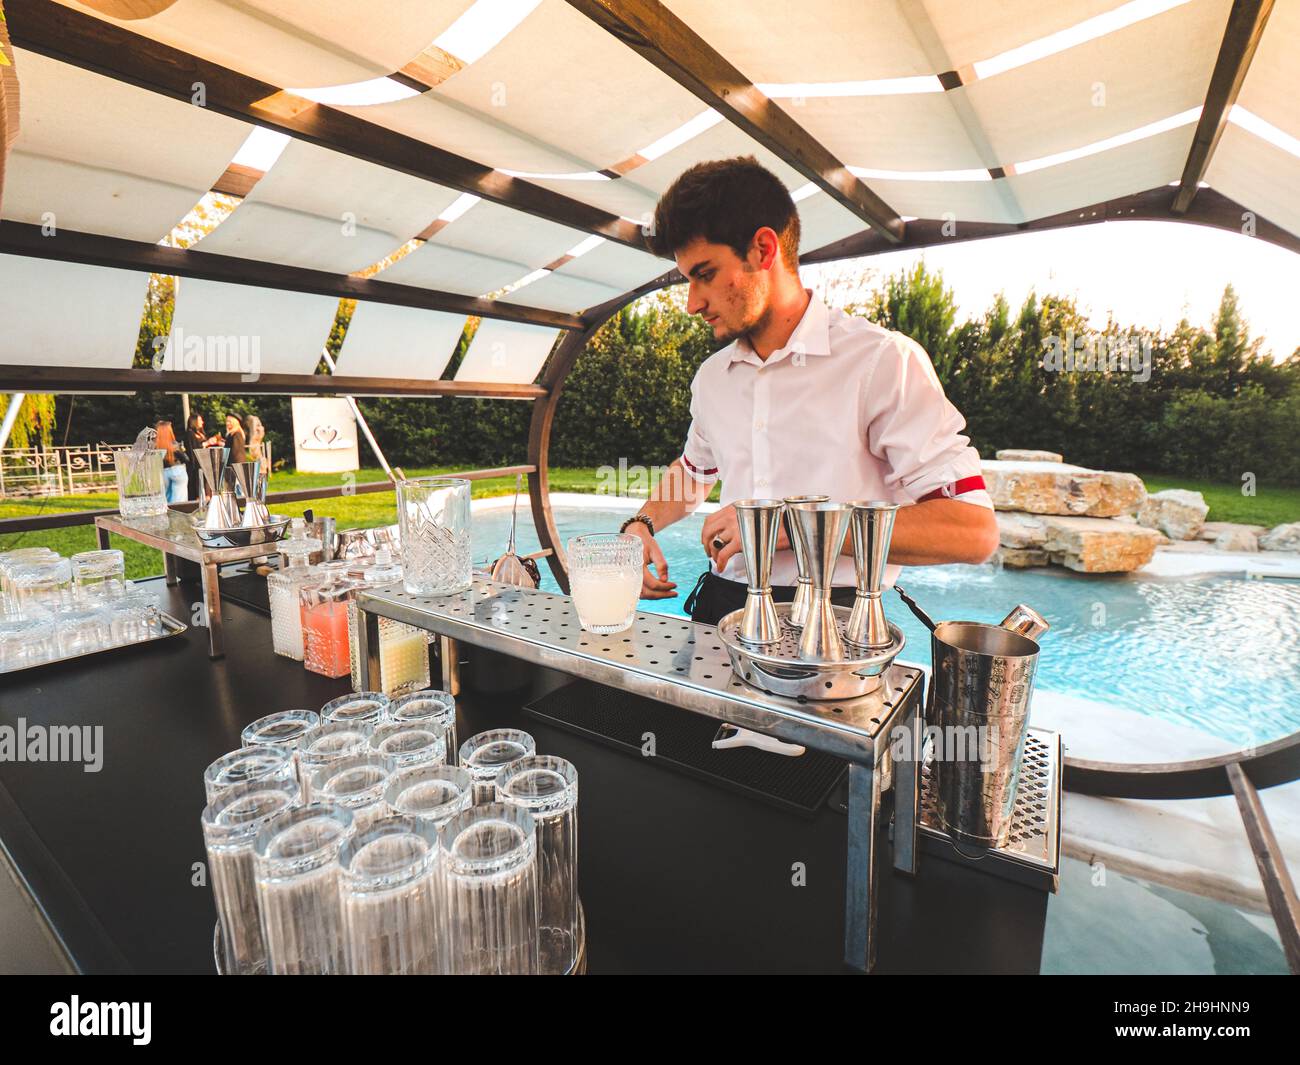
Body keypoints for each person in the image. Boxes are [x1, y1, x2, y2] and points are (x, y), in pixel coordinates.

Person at [621, 156, 999, 626]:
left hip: (835, 625)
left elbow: (971, 530)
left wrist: (795, 527)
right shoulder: (713, 377)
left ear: (762, 249)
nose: (693, 303)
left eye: (705, 274)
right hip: (722, 609)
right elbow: (696, 470)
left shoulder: (881, 361)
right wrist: (642, 524)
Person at [183, 413, 221, 501]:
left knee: (208, 488)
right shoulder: (190, 434)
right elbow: (193, 449)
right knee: (198, 488)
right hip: (196, 466)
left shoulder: (200, 433)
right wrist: (207, 443)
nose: (202, 422)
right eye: (200, 420)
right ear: (194, 421)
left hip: (206, 464)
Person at [154, 417, 188, 504]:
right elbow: (186, 459)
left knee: (164, 501)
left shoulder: (155, 447)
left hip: (163, 472)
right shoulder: (175, 445)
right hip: (178, 470)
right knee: (179, 502)